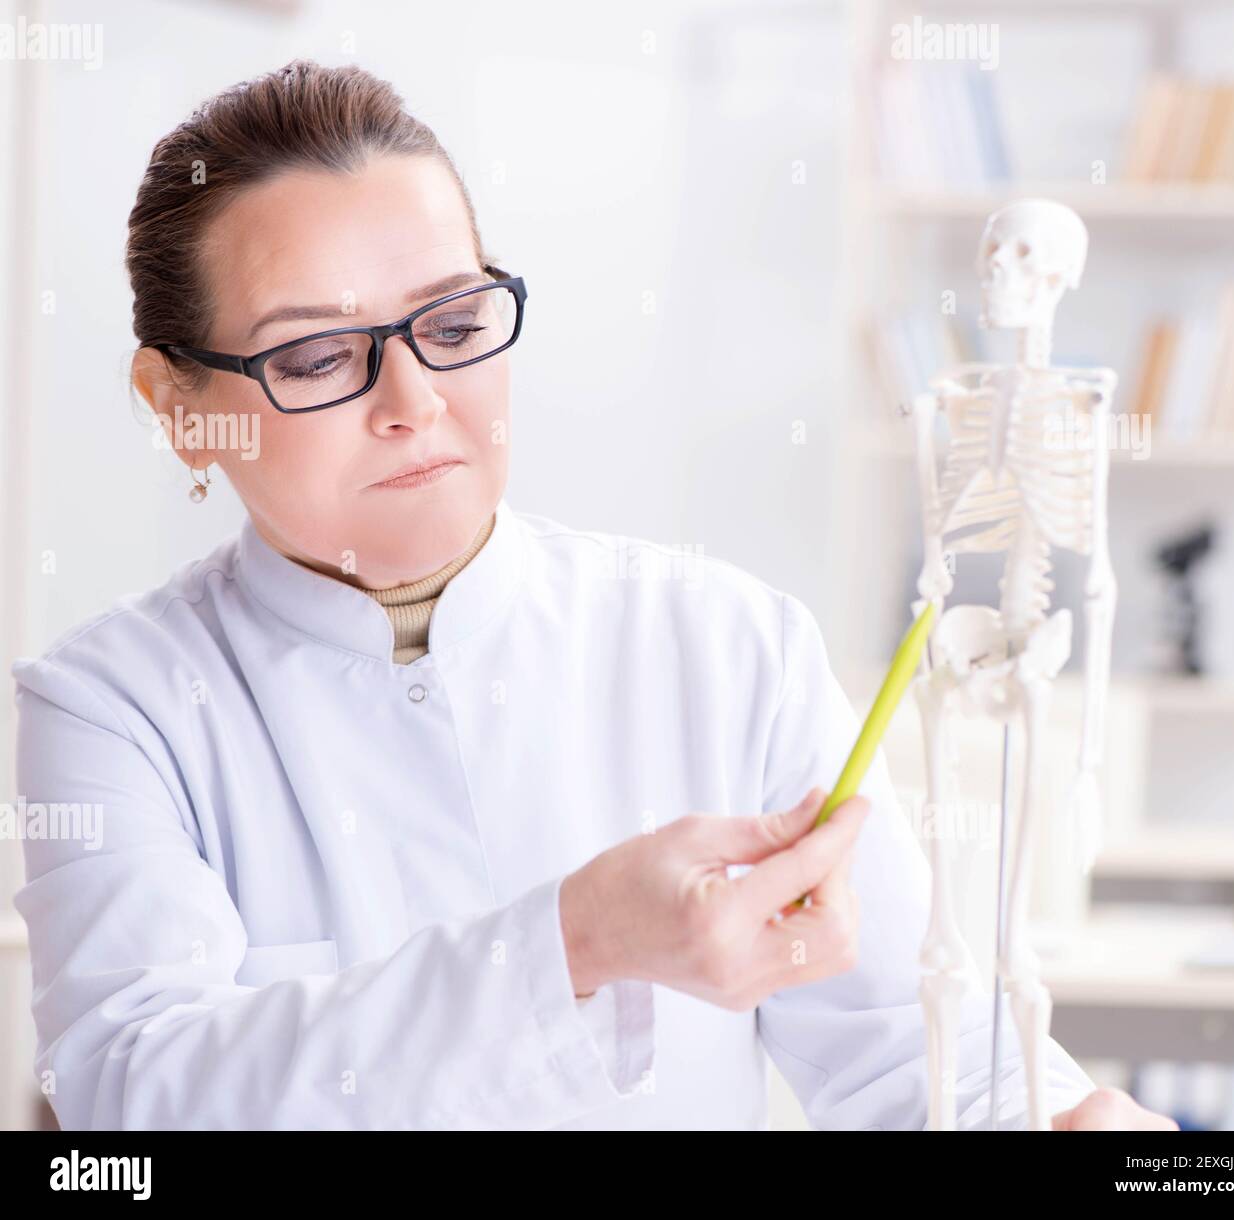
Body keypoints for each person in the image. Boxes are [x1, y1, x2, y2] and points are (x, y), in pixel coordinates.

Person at [12, 59, 1173, 1132]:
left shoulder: (725, 644)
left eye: (455, 322)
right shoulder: (113, 706)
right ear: (175, 402)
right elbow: (136, 1103)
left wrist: (1061, 1118)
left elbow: (919, 1064)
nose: (413, 397)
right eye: (317, 356)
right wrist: (576, 939)